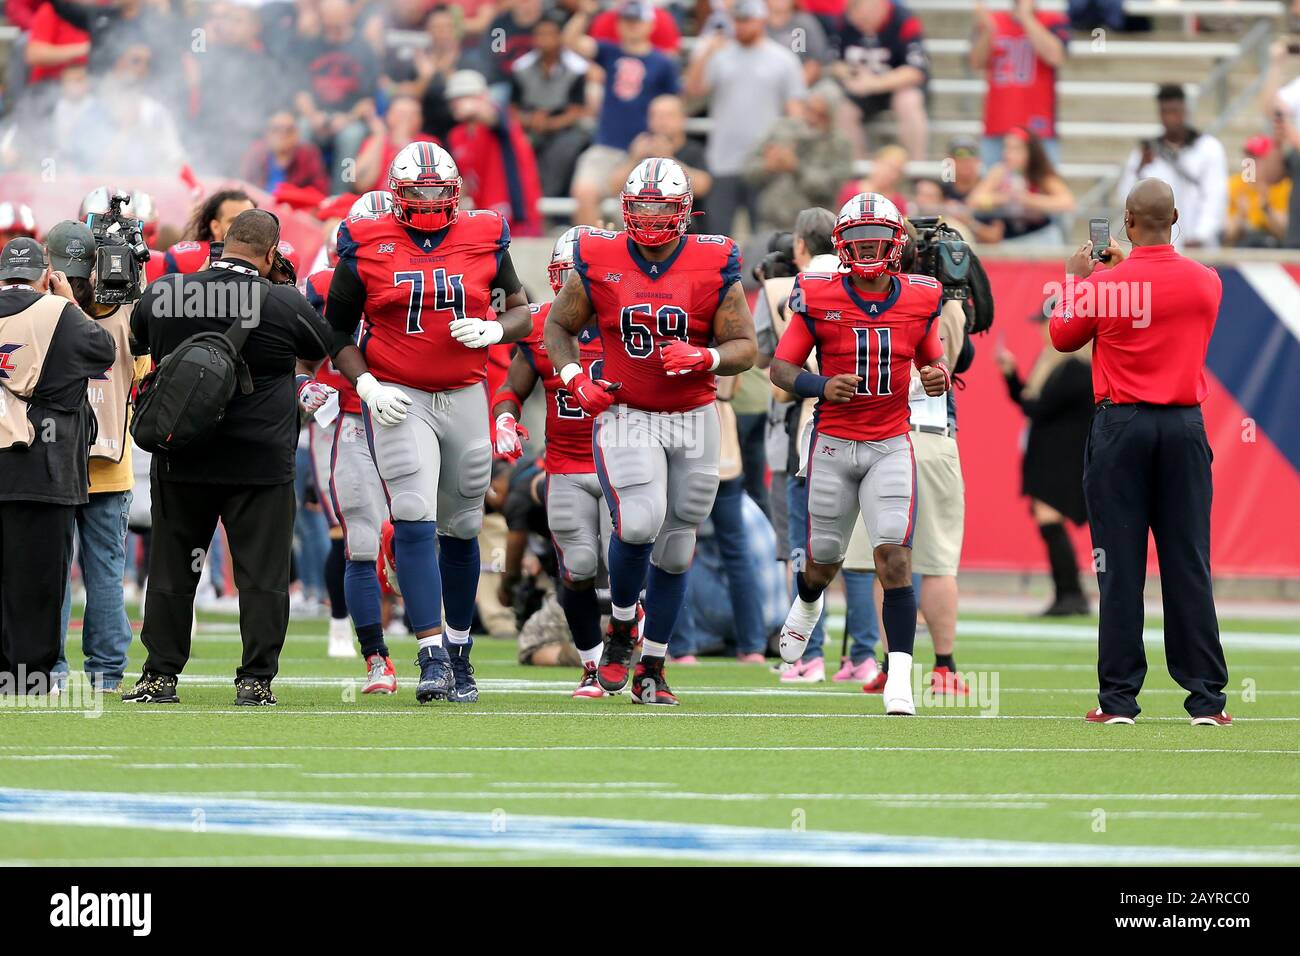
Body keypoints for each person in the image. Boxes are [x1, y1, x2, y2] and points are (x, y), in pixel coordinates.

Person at [324, 142, 534, 705]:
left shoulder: (486, 232)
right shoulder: (365, 241)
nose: (428, 201)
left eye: (438, 190)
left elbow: (521, 307)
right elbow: (336, 332)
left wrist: (498, 331)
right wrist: (365, 383)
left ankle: (461, 653)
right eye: (416, 191)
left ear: (456, 191)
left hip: (465, 393)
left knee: (463, 522)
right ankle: (430, 653)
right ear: (395, 194)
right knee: (413, 512)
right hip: (400, 393)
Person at [545, 156, 757, 705]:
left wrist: (706, 355)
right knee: (639, 522)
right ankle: (620, 629)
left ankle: (654, 666)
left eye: (664, 206)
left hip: (693, 416)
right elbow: (558, 326)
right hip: (629, 411)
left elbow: (745, 349)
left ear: (685, 211)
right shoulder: (599, 255)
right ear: (626, 208)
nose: (653, 216)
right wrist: (572, 376)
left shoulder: (714, 261)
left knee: (679, 546)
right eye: (642, 205)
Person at [124, 210, 337, 706]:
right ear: (269, 253)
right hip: (259, 460)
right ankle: (255, 681)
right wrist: (284, 286)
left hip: (184, 452)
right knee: (261, 577)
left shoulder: (166, 291)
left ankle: (159, 677)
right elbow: (320, 345)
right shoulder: (282, 299)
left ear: (221, 242)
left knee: (173, 569)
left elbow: (138, 340)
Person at [1050, 178, 1231, 726]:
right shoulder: (1208, 283)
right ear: (1175, 217)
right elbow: (1162, 295)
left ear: (1127, 221)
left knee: (1119, 568)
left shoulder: (1106, 286)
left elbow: (1062, 336)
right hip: (1183, 425)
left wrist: (1078, 280)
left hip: (1120, 426)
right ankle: (1206, 701)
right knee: (1188, 562)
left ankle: (1120, 701)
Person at [770, 193, 951, 715]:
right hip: (832, 443)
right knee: (822, 563)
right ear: (841, 245)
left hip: (891, 442)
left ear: (896, 245)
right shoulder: (817, 292)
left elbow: (932, 362)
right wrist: (821, 384)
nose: (866, 249)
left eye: (875, 240)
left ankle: (898, 677)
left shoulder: (921, 297)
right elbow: (781, 369)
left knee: (894, 556)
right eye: (855, 241)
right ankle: (806, 603)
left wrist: (934, 377)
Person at [759, 207, 881, 685]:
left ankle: (807, 654)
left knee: (809, 547)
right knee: (858, 550)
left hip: (813, 430)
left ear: (800, 247)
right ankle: (863, 655)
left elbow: (781, 383)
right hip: (877, 428)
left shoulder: (792, 288)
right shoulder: (873, 284)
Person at [492, 226, 614, 697]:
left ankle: (636, 644)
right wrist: (505, 419)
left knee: (623, 564)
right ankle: (591, 665)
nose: (575, 290)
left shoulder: (628, 321)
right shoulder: (542, 325)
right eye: (568, 279)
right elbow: (511, 389)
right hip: (564, 465)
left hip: (622, 462)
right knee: (578, 568)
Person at [0, 236, 115, 693]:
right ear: (45, 275)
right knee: (39, 580)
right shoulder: (58, 311)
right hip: (43, 464)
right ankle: (29, 677)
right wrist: (68, 300)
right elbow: (102, 350)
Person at [45, 221, 150, 694]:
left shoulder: (44, 313)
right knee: (106, 571)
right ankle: (106, 671)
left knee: (54, 569)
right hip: (112, 462)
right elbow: (144, 372)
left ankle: (51, 668)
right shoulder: (127, 316)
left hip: (54, 462)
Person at [684, 0, 807, 238]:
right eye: (737, 20)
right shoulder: (720, 56)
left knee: (765, 236)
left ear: (762, 20)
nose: (741, 26)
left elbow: (796, 112)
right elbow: (692, 92)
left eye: (747, 20)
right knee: (717, 236)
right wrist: (706, 53)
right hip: (723, 159)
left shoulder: (783, 59)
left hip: (762, 163)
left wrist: (786, 149)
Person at [998, 313, 1094, 616]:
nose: (1042, 330)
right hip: (1050, 456)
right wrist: (1012, 376)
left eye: (1046, 324)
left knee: (1050, 521)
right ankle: (1068, 593)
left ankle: (1071, 594)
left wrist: (1014, 380)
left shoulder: (1075, 367)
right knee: (1048, 523)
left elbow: (1037, 408)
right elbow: (1032, 405)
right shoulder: (1055, 363)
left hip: (1061, 460)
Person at [565, 0, 681, 226]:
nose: (632, 26)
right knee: (584, 191)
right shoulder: (610, 51)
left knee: (640, 213)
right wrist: (583, 14)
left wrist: (664, 144)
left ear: (649, 25)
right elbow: (571, 41)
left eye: (637, 21)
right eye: (627, 21)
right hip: (607, 144)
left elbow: (673, 107)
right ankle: (587, 255)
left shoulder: (662, 62)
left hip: (645, 149)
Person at [1116, 85, 1226, 250]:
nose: (1170, 118)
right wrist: (1139, 169)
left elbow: (1215, 195)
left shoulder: (1208, 148)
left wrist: (1200, 236)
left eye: (1174, 111)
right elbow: (1125, 198)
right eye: (1164, 112)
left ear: (1185, 111)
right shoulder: (1146, 152)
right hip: (1157, 248)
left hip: (1200, 248)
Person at [445, 69, 544, 237]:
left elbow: (494, 117)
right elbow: (463, 182)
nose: (458, 103)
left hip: (518, 217)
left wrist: (477, 108)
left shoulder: (502, 124)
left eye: (466, 97)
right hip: (484, 219)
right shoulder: (456, 136)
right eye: (455, 99)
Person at [970, 0, 1070, 166]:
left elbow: (1055, 57)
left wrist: (1026, 17)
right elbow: (976, 63)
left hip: (1039, 128)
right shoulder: (992, 20)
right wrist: (988, 30)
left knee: (1045, 186)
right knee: (993, 187)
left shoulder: (1053, 19)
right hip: (998, 124)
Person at [744, 86, 853, 235]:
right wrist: (768, 166)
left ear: (832, 117)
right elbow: (747, 170)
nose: (812, 118)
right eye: (810, 110)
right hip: (769, 224)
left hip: (814, 231)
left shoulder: (840, 144)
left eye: (821, 114)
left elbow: (829, 187)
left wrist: (796, 168)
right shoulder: (781, 129)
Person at [829, 0, 930, 160]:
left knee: (909, 101)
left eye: (865, 19)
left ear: (879, 7)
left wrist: (875, 83)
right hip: (861, 87)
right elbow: (833, 61)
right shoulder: (844, 21)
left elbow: (916, 71)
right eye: (857, 19)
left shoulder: (904, 20)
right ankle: (856, 174)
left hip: (895, 87)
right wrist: (850, 75)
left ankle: (917, 170)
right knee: (843, 110)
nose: (861, 24)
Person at [510, 9, 591, 199]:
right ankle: (522, 199)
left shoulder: (577, 68)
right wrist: (531, 121)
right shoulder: (521, 67)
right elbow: (513, 108)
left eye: (550, 34)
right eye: (540, 34)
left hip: (564, 126)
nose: (544, 40)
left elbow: (576, 111)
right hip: (529, 125)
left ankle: (549, 200)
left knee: (565, 148)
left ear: (560, 37)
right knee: (517, 145)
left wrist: (549, 123)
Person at [967, 126, 1074, 246]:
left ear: (1030, 151)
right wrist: (1002, 198)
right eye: (1007, 147)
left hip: (1039, 235)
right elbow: (974, 200)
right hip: (1008, 238)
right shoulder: (999, 171)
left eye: (1016, 148)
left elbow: (1067, 202)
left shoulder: (1040, 174)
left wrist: (1028, 199)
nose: (1009, 153)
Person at [353, 95, 435, 195]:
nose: (406, 119)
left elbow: (426, 189)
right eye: (401, 114)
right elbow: (360, 184)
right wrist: (379, 138)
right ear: (388, 116)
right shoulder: (374, 141)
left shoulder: (429, 143)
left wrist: (404, 144)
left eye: (413, 114)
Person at [162, 188, 257, 275]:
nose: (246, 227)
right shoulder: (186, 258)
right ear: (215, 227)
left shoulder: (267, 259)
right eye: (235, 221)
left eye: (251, 220)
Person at [240, 110, 331, 194]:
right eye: (277, 129)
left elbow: (320, 191)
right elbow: (246, 186)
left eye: (289, 130)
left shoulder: (309, 154)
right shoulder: (257, 153)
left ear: (297, 134)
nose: (283, 134)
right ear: (267, 133)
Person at [1225, 135, 1288, 248]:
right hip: (1242, 250)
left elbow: (1285, 232)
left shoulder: (1282, 185)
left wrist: (1267, 208)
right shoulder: (1235, 184)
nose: (1250, 163)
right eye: (1248, 157)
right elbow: (1227, 236)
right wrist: (1240, 214)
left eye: (1256, 158)